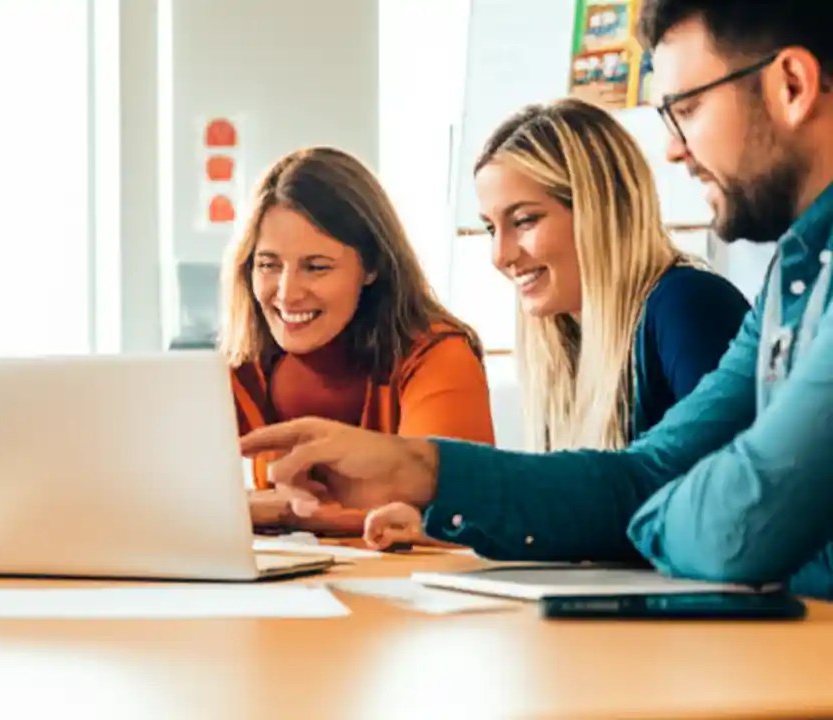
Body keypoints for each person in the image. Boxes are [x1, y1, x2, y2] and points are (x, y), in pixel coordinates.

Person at [243, 0, 833, 600]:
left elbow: (735, 528)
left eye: (687, 109)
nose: (675, 150)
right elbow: (649, 475)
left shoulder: (688, 304)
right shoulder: (795, 278)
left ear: (792, 85)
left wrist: (624, 523)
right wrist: (419, 472)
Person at [219, 146, 495, 537]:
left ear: (372, 266)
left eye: (316, 267)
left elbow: (460, 516)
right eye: (268, 264)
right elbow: (167, 502)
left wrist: (283, 513)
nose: (287, 292)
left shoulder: (436, 356)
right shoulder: (240, 369)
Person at [476, 98, 748, 452]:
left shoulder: (687, 306)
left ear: (601, 211)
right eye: (490, 228)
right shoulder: (567, 337)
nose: (501, 256)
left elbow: (728, 489)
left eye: (525, 221)